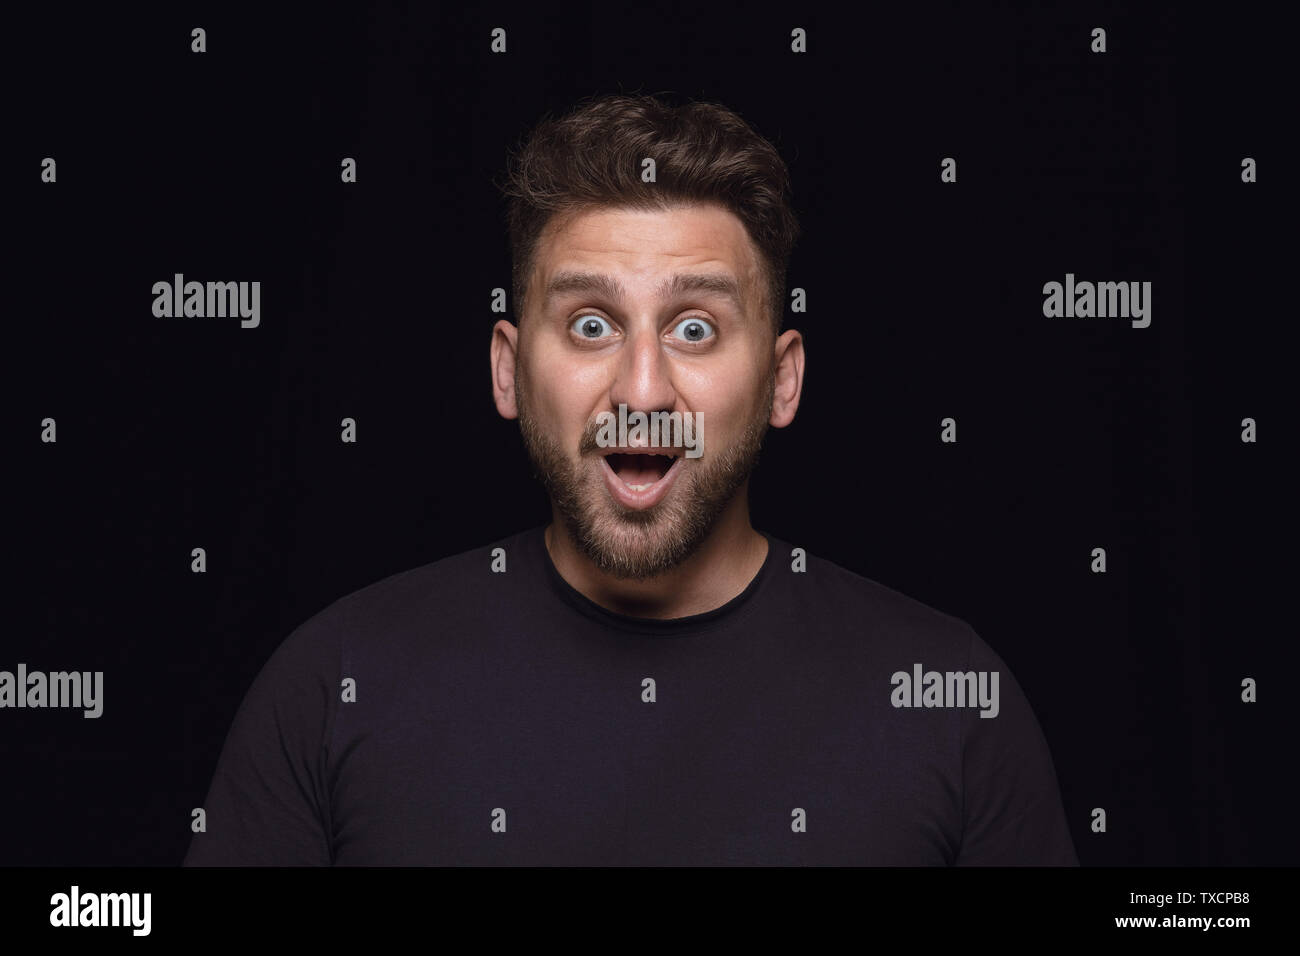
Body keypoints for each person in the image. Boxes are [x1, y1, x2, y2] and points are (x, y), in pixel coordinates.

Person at [183, 93, 1077, 866]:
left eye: (694, 328)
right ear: (507, 370)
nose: (642, 389)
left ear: (782, 378)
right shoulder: (333, 687)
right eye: (589, 326)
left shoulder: (951, 700)